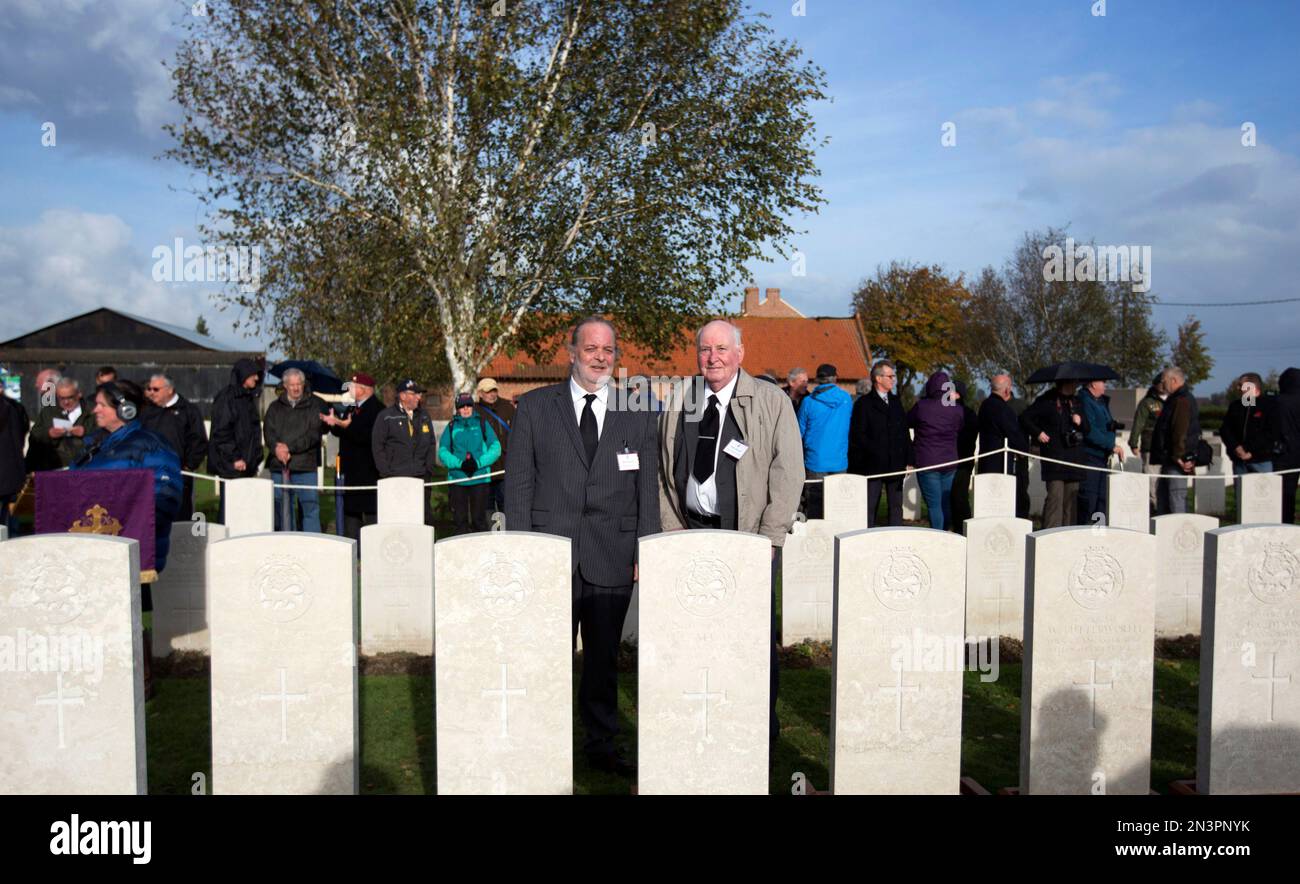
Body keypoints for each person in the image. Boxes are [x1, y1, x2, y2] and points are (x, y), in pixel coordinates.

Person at [505, 317, 659, 777]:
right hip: (550, 552)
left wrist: (644, 550)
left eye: (608, 350)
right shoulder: (534, 408)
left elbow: (646, 488)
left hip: (612, 552)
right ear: (571, 351)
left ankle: (600, 744)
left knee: (603, 658)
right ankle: (542, 740)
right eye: (590, 348)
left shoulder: (637, 411)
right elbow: (518, 485)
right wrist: (523, 551)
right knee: (546, 654)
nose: (599, 357)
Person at [659, 319, 803, 752]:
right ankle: (705, 720)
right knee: (697, 633)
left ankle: (761, 728)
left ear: (740, 354)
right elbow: (665, 469)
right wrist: (671, 534)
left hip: (748, 539)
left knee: (752, 637)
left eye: (722, 349)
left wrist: (770, 539)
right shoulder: (681, 399)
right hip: (691, 532)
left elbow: (788, 471)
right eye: (705, 349)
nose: (713, 357)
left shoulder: (771, 401)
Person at [73, 380, 182, 699]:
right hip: (91, 546)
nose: (94, 410)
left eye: (101, 405)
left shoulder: (151, 445)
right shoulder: (96, 444)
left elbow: (165, 496)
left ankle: (140, 683)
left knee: (128, 618)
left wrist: (132, 525)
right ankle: (100, 680)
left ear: (124, 409)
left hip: (129, 548)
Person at [848, 359, 912, 526]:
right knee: (870, 506)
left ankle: (895, 540)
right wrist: (875, 452)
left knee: (896, 506)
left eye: (893, 376)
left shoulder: (896, 402)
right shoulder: (864, 404)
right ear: (878, 378)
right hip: (873, 464)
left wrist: (910, 459)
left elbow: (904, 433)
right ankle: (866, 538)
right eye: (890, 376)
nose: (893, 379)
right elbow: (858, 435)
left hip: (895, 463)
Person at [1020, 380, 1091, 528]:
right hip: (1055, 459)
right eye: (1073, 383)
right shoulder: (1046, 401)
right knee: (1055, 499)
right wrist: (1037, 432)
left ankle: (1069, 534)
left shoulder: (1077, 402)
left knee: (1071, 503)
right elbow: (1025, 418)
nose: (1076, 386)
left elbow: (1087, 429)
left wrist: (1080, 421)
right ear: (1065, 384)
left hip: (1074, 459)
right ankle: (1050, 535)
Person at [322, 372, 384, 540]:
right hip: (350, 471)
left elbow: (368, 437)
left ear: (363, 389)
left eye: (353, 386)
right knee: (350, 514)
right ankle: (351, 548)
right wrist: (334, 423)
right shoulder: (352, 407)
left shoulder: (377, 410)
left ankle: (371, 548)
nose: (349, 389)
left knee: (371, 515)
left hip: (368, 471)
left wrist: (345, 427)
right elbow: (345, 430)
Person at [907, 370, 971, 531]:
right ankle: (945, 533)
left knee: (934, 505)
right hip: (950, 461)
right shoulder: (956, 409)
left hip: (927, 461)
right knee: (945, 502)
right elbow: (959, 426)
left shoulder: (922, 406)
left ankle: (938, 536)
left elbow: (908, 421)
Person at [263, 367, 324, 532]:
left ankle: (312, 545)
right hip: (280, 466)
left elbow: (313, 435)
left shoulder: (313, 407)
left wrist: (289, 447)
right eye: (292, 385)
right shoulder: (274, 408)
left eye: (299, 384)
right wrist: (277, 448)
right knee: (282, 509)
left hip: (305, 467)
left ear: (303, 385)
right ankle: (285, 546)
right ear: (285, 386)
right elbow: (269, 433)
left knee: (310, 508)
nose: (296, 388)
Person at [141, 372, 208, 520]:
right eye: (150, 389)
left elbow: (199, 441)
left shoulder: (188, 411)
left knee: (179, 517)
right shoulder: (147, 413)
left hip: (179, 475)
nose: (151, 393)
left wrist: (189, 465)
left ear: (169, 389)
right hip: (152, 475)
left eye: (156, 389)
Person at [371, 378, 438, 525]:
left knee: (423, 519)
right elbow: (377, 446)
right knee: (398, 520)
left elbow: (431, 444)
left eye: (419, 394)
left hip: (421, 477)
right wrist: (386, 472)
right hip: (395, 478)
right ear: (402, 396)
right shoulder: (386, 416)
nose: (419, 397)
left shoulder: (424, 416)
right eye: (415, 394)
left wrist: (428, 469)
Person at [209, 358, 264, 522]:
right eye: (253, 374)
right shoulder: (227, 398)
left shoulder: (247, 398)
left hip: (247, 465)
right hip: (232, 466)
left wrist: (255, 457)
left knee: (243, 511)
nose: (256, 378)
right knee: (229, 511)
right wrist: (235, 458)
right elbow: (222, 431)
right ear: (243, 375)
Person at [439, 392, 501, 534]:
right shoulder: (451, 426)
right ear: (457, 409)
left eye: (468, 406)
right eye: (462, 406)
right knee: (459, 521)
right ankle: (459, 555)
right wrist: (459, 464)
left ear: (473, 407)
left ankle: (482, 553)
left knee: (479, 521)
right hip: (457, 480)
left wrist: (478, 463)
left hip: (479, 479)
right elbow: (443, 451)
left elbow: (496, 448)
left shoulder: (482, 423)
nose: (466, 409)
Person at [797, 363, 852, 519]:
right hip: (840, 460)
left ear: (818, 379)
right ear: (835, 378)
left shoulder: (808, 402)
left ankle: (815, 540)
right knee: (838, 505)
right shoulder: (846, 400)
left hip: (815, 460)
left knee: (815, 504)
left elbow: (799, 430)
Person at [976, 373, 1031, 519]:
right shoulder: (1003, 409)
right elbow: (1013, 432)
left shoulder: (984, 406)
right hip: (1001, 462)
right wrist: (1023, 450)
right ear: (1007, 390)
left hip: (986, 458)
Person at [1150, 366, 1200, 515]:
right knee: (1164, 499)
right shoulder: (1175, 399)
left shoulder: (1182, 400)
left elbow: (1180, 430)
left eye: (1164, 380)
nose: (1162, 384)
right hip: (1169, 459)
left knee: (1176, 500)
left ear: (1174, 380)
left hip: (1176, 461)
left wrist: (1178, 455)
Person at [1077, 380, 1125, 524]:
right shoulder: (1085, 402)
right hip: (1091, 456)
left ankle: (1099, 533)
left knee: (1102, 498)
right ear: (1092, 384)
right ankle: (1085, 533)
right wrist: (1110, 445)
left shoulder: (1102, 402)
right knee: (1090, 498)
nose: (1105, 385)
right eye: (1102, 382)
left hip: (1103, 456)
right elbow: (1090, 431)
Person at [29, 377, 96, 470]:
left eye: (70, 397)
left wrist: (85, 432)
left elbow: (106, 435)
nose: (66, 402)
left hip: (86, 466)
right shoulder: (48, 412)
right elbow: (34, 436)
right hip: (55, 467)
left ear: (79, 394)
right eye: (62, 398)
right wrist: (49, 434)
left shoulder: (92, 411)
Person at [1220, 372, 1277, 476]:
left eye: (1241, 385)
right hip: (1239, 461)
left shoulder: (1269, 406)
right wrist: (1236, 447)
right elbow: (1225, 430)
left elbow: (1270, 433)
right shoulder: (1235, 406)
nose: (1238, 388)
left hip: (1261, 461)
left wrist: (1250, 450)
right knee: (1241, 491)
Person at [474, 377, 514, 514]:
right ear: (480, 393)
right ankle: (487, 533)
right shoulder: (474, 411)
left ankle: (508, 534)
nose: (492, 394)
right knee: (486, 506)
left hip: (505, 467)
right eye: (488, 391)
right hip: (484, 469)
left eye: (494, 390)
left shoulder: (508, 408)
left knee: (506, 505)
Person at [1128, 372, 1166, 513]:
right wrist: (1133, 442)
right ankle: (1154, 508)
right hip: (1151, 446)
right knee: (1152, 480)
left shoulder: (1173, 400)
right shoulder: (1148, 403)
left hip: (1168, 448)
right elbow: (1139, 423)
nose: (1164, 385)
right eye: (1161, 383)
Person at [949, 380, 980, 533]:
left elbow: (968, 438)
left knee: (959, 498)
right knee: (955, 498)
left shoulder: (966, 414)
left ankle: (962, 530)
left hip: (961, 461)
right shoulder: (966, 413)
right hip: (958, 460)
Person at [0, 390, 29, 536]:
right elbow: (19, 437)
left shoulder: (11, 407)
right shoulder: (12, 407)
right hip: (10, 476)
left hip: (6, 476)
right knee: (9, 527)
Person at [1274, 367, 1300, 524]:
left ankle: (1286, 522)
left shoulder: (1277, 402)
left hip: (1283, 453)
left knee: (1285, 492)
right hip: (1296, 449)